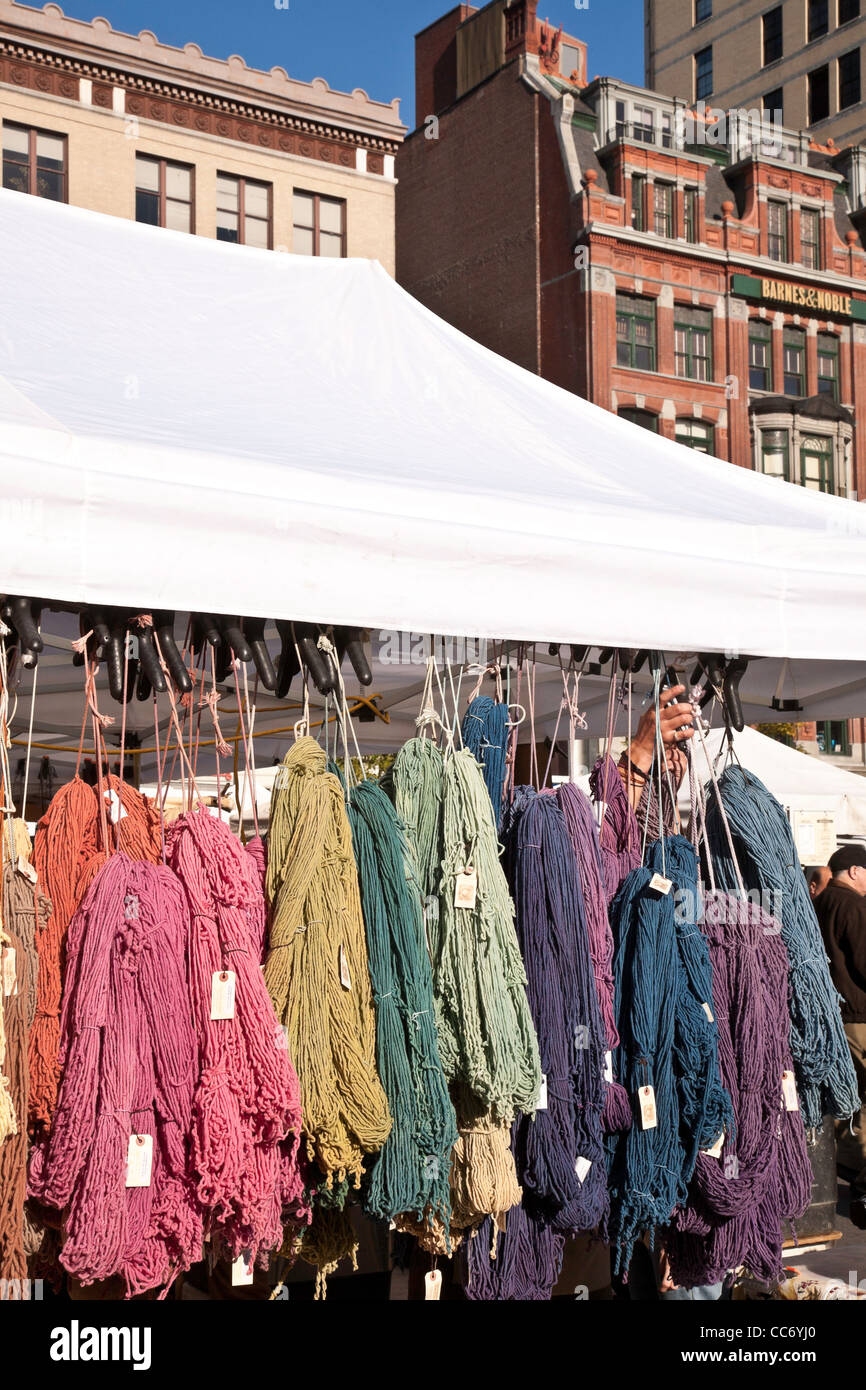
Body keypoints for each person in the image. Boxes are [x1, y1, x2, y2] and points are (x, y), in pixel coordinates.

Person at [813, 843, 866, 1228]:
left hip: (830, 1015)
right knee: (860, 1094)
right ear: (853, 871)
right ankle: (858, 1167)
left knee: (843, 1093)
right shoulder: (854, 906)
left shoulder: (818, 903)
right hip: (858, 1016)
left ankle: (845, 1160)